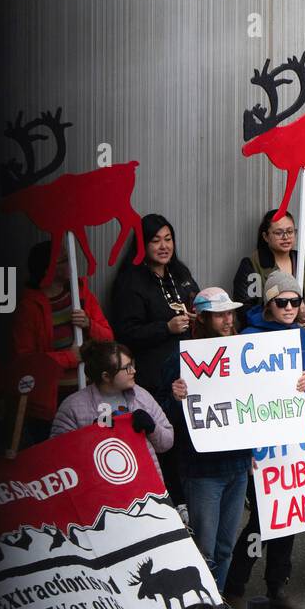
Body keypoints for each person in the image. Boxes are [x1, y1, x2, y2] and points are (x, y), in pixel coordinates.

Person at [223, 272, 305, 609]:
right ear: (268, 304)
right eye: (282, 302)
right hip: (262, 446)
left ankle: (277, 587)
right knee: (262, 520)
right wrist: (246, 449)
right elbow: (241, 396)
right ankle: (234, 586)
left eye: (295, 301)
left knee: (290, 515)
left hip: (296, 441)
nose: (290, 307)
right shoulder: (248, 338)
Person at [159, 289, 253, 597]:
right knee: (205, 550)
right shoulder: (180, 359)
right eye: (221, 314)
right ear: (203, 318)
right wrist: (174, 398)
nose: (228, 320)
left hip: (237, 465)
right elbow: (165, 417)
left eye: (230, 313)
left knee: (224, 547)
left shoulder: (243, 354)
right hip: (202, 471)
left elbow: (261, 398)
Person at [110, 213, 200, 509]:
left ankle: (190, 501)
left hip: (189, 373)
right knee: (165, 441)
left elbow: (196, 303)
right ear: (142, 245)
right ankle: (173, 506)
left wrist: (199, 316)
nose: (164, 246)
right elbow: (124, 331)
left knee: (189, 438)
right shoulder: (130, 281)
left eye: (168, 238)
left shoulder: (180, 272)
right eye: (155, 240)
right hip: (154, 378)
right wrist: (166, 328)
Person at [51, 340, 175, 483]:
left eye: (132, 365)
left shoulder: (141, 396)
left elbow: (167, 442)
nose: (133, 371)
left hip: (147, 485)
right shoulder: (73, 407)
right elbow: (58, 460)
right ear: (106, 376)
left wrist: (152, 428)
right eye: (127, 367)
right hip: (101, 492)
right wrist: (91, 438)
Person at [11, 239, 114, 380]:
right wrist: (70, 357)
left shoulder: (80, 294)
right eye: (65, 260)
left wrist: (89, 324)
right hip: (52, 387)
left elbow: (108, 338)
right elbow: (26, 360)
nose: (72, 263)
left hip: (88, 383)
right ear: (48, 269)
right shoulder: (30, 307)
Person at [232, 209, 305, 321]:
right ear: (265, 236)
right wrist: (278, 318)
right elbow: (244, 309)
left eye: (290, 231)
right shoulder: (252, 265)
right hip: (268, 333)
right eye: (279, 233)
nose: (286, 237)